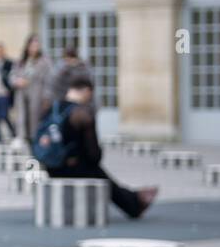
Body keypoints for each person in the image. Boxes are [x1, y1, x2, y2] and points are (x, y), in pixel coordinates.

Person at [35, 73, 157, 218]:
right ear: (87, 91)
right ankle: (133, 203)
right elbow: (94, 155)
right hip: (72, 168)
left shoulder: (52, 108)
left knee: (94, 170)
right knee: (95, 171)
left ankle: (133, 199)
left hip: (50, 165)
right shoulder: (82, 113)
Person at [11, 33, 53, 146]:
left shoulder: (45, 62)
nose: (34, 48)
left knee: (36, 126)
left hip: (37, 98)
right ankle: (28, 149)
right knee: (23, 125)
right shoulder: (21, 61)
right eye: (32, 45)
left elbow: (49, 82)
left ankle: (37, 153)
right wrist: (17, 81)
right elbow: (12, 76)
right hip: (22, 97)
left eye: (37, 45)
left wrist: (46, 98)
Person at [48, 44, 94, 117]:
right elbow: (53, 83)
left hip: (82, 103)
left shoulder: (83, 67)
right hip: (64, 102)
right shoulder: (60, 67)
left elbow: (89, 84)